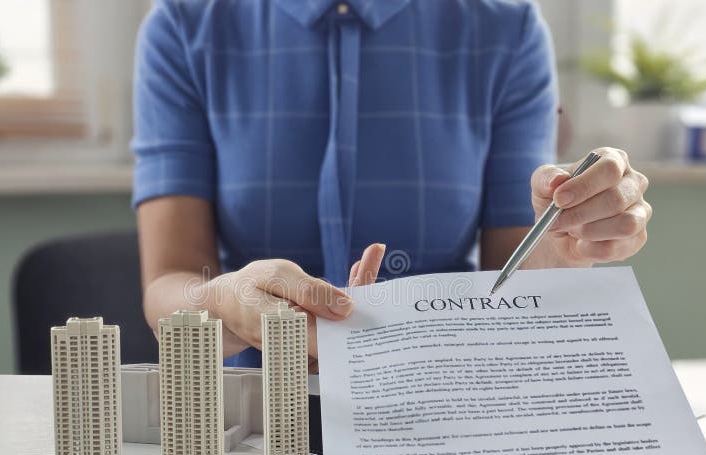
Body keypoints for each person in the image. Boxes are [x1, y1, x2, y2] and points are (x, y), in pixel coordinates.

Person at [132, 0, 651, 373]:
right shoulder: (185, 24)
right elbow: (169, 283)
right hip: (254, 414)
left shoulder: (504, 29)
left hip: (445, 405)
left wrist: (562, 248)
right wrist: (218, 301)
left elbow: (510, 278)